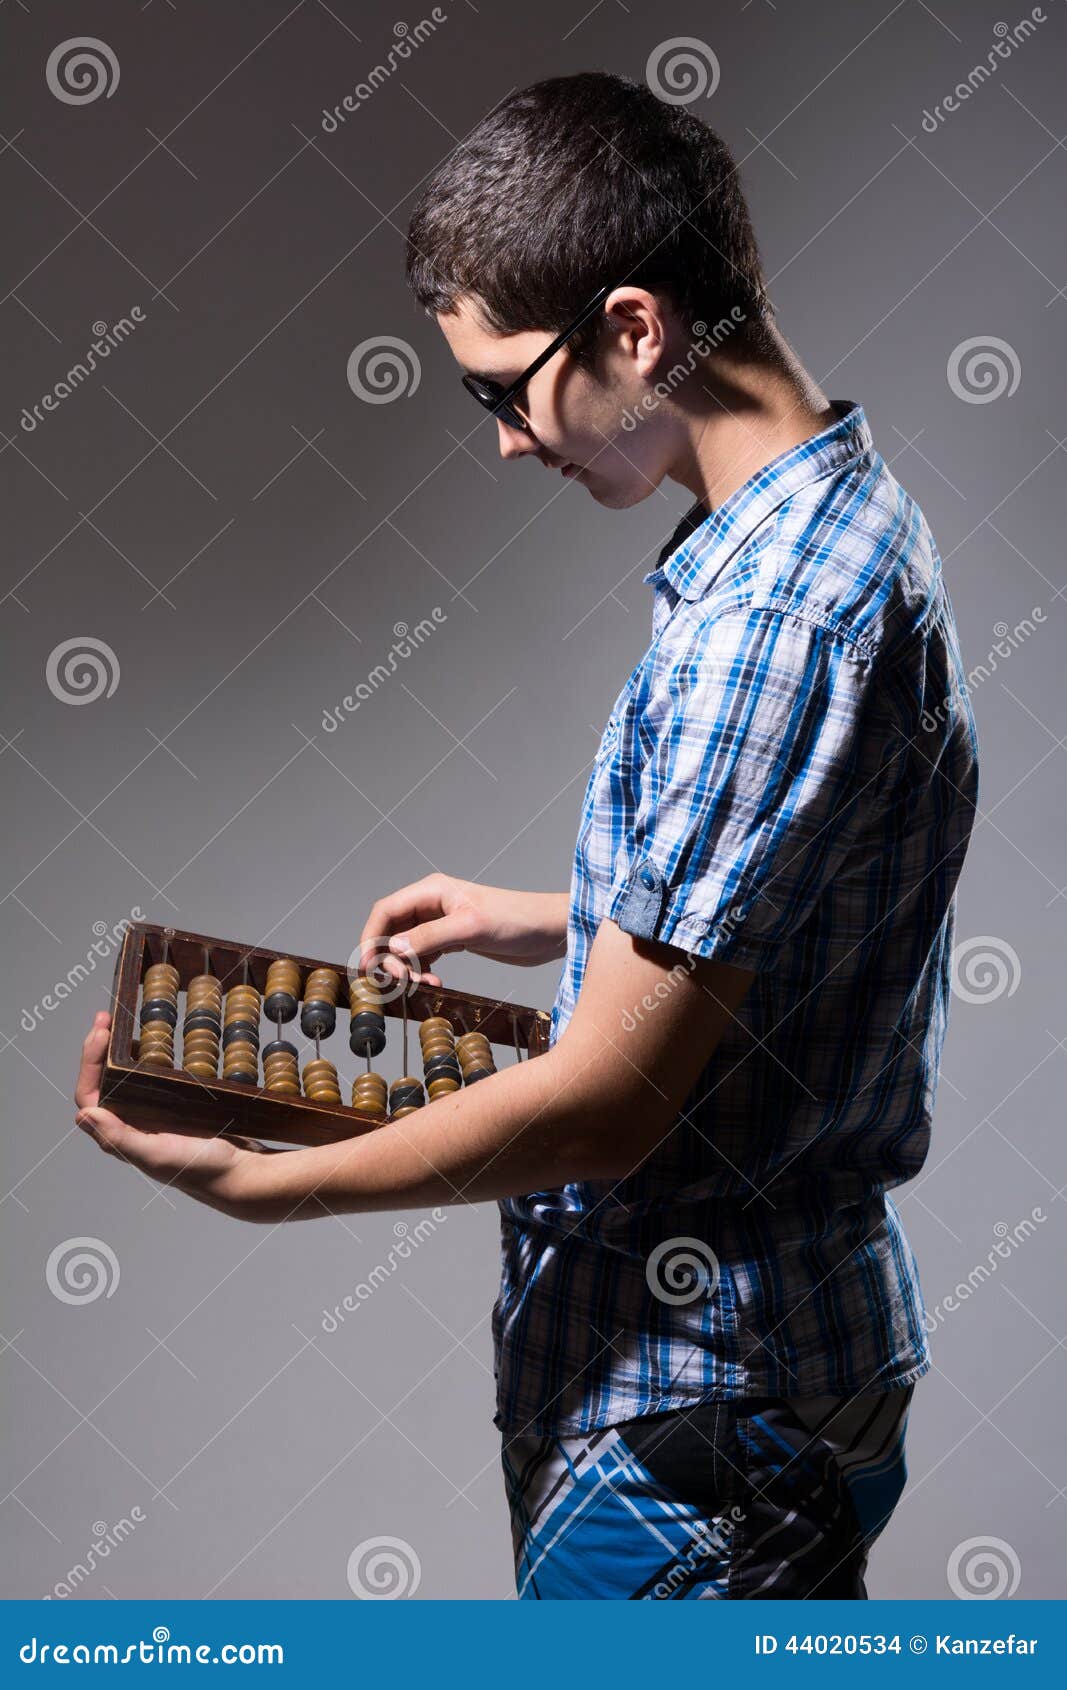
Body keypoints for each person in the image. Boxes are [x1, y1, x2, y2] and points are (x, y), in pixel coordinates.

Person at [74, 71, 979, 1598]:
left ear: (634, 330)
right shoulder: (847, 515)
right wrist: (558, 911)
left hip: (696, 1416)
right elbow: (814, 868)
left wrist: (262, 1189)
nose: (503, 441)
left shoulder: (765, 624)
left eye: (504, 389)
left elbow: (605, 1111)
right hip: (753, 1393)